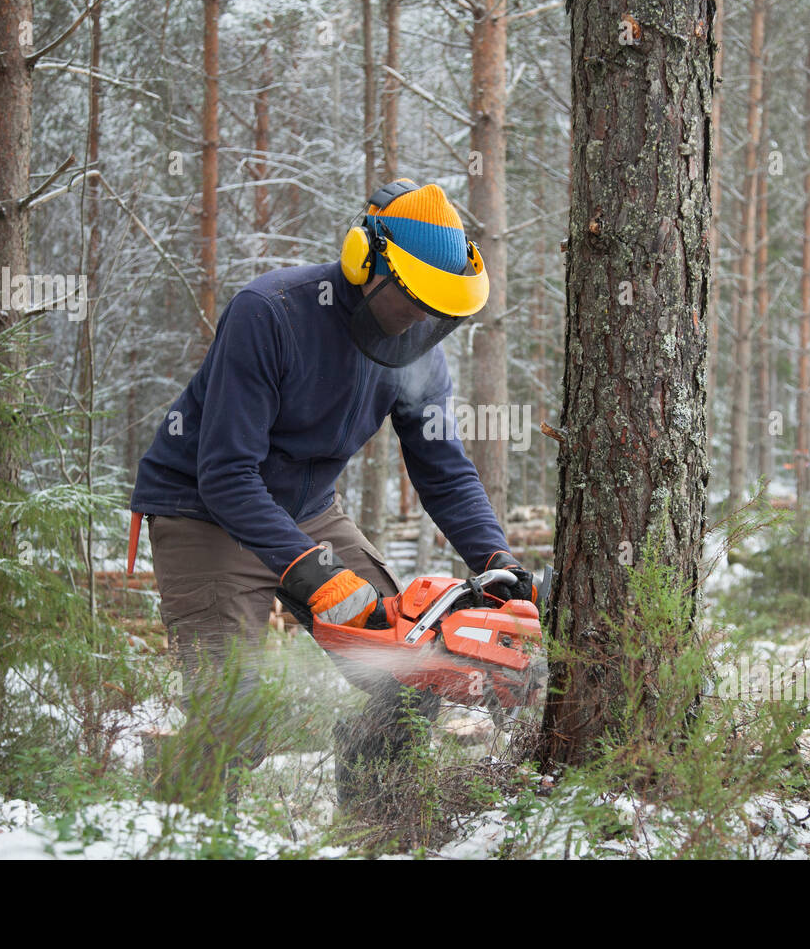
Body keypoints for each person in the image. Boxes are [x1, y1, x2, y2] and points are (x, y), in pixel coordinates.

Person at [129, 179, 535, 809]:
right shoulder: (270, 313)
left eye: (439, 306)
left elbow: (443, 469)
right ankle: (181, 821)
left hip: (309, 509)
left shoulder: (418, 351)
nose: (423, 318)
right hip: (203, 512)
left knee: (414, 667)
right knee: (233, 716)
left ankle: (377, 823)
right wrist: (316, 573)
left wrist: (496, 560)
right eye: (413, 300)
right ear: (363, 261)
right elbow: (227, 474)